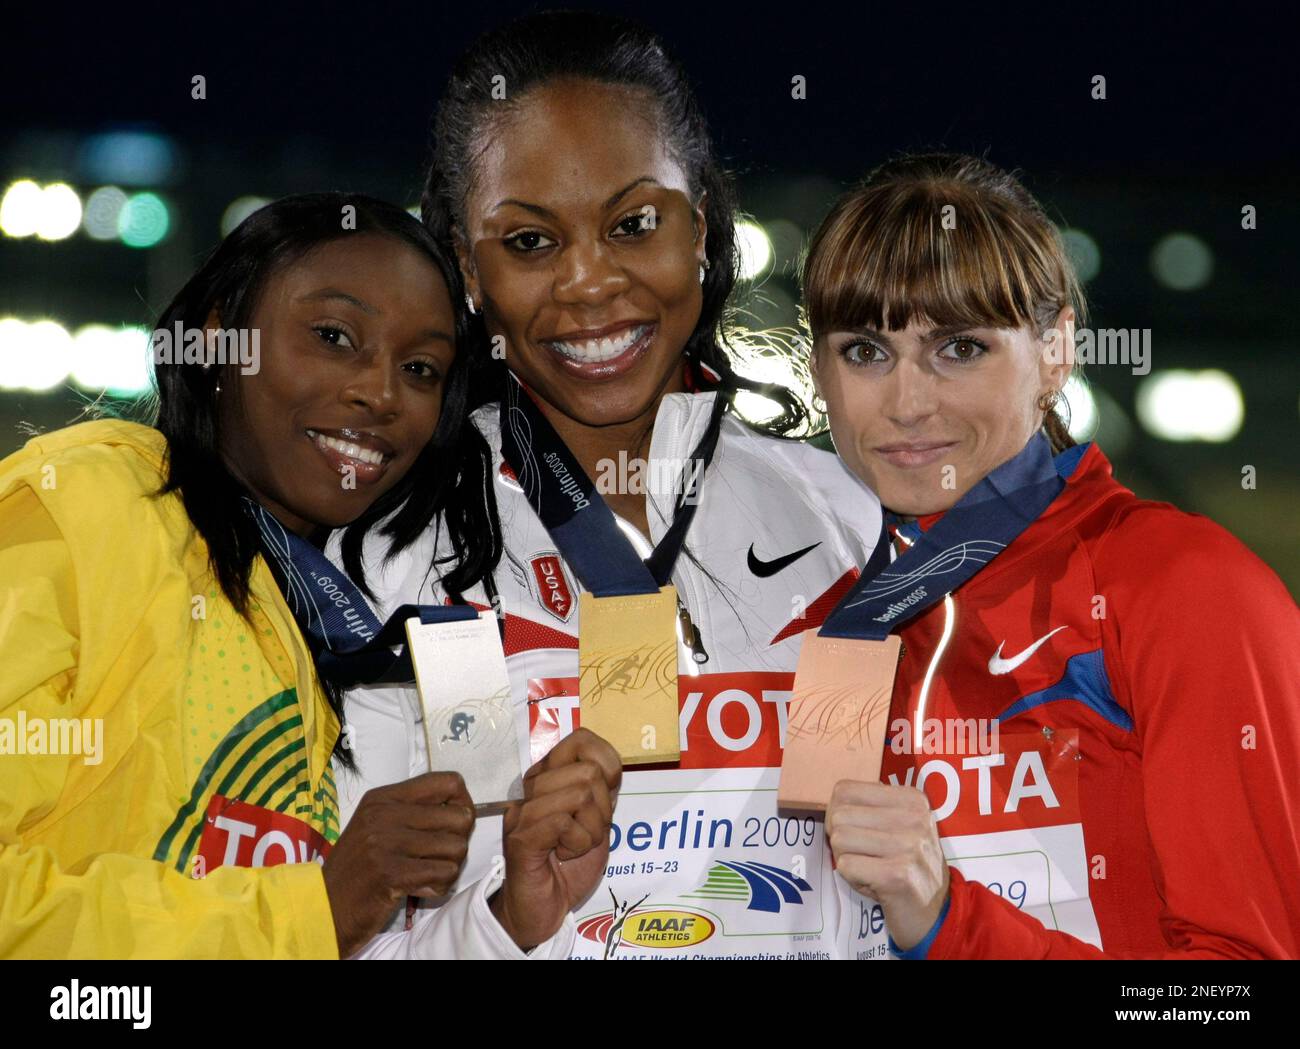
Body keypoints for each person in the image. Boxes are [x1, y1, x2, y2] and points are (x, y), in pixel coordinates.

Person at [335, 11, 892, 960]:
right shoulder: (390, 552)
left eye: (634, 224)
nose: (590, 284)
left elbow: (868, 891)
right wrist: (506, 921)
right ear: (468, 269)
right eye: (530, 243)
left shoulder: (844, 518)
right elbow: (346, 935)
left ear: (702, 230)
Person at [803, 152, 1300, 958]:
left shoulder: (1182, 586)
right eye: (866, 350)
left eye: (959, 347)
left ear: (1056, 349)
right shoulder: (833, 610)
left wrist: (947, 922)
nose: (907, 402)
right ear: (820, 368)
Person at [0, 194, 494, 958]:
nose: (382, 393)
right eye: (334, 336)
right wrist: (312, 908)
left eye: (420, 368)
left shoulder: (326, 612)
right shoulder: (82, 508)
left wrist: (514, 913)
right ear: (220, 337)